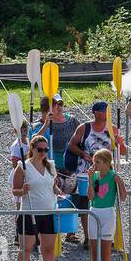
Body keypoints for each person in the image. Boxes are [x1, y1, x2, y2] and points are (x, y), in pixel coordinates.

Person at [67, 100, 125, 251]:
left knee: (106, 200)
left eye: (107, 110)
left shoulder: (112, 128)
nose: (107, 113)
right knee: (87, 201)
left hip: (106, 173)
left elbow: (123, 152)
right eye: (104, 110)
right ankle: (88, 236)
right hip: (86, 171)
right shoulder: (84, 128)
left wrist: (120, 143)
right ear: (96, 113)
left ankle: (107, 236)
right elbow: (71, 145)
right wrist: (83, 154)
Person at [11, 134, 63, 261]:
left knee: (48, 250)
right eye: (40, 150)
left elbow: (52, 186)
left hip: (48, 213)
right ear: (32, 149)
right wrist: (23, 191)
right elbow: (15, 190)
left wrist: (58, 191)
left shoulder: (51, 166)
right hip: (28, 213)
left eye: (45, 150)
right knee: (25, 249)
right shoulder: (23, 167)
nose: (43, 153)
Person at [36, 94, 80, 241]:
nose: (59, 107)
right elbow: (35, 141)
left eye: (60, 104)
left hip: (69, 164)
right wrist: (46, 124)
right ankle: (50, 232)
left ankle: (70, 231)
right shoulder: (40, 125)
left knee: (70, 197)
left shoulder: (72, 120)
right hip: (50, 166)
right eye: (55, 105)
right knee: (52, 198)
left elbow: (81, 136)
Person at [85, 148, 126, 261]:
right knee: (94, 252)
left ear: (107, 163)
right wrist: (90, 180)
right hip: (94, 212)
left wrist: (120, 182)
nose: (95, 165)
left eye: (98, 162)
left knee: (106, 252)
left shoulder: (113, 176)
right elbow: (90, 197)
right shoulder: (94, 176)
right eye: (94, 162)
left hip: (108, 214)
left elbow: (123, 197)